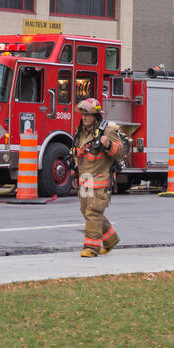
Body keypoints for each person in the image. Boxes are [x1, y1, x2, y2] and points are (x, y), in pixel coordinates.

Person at [73, 98, 123, 257]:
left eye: (87, 115)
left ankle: (91, 248)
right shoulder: (82, 130)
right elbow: (78, 153)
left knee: (93, 212)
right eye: (82, 115)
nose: (84, 118)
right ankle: (111, 239)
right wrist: (75, 173)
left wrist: (108, 144)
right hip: (86, 179)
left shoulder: (107, 130)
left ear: (96, 115)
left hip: (101, 179)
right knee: (85, 210)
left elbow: (121, 152)